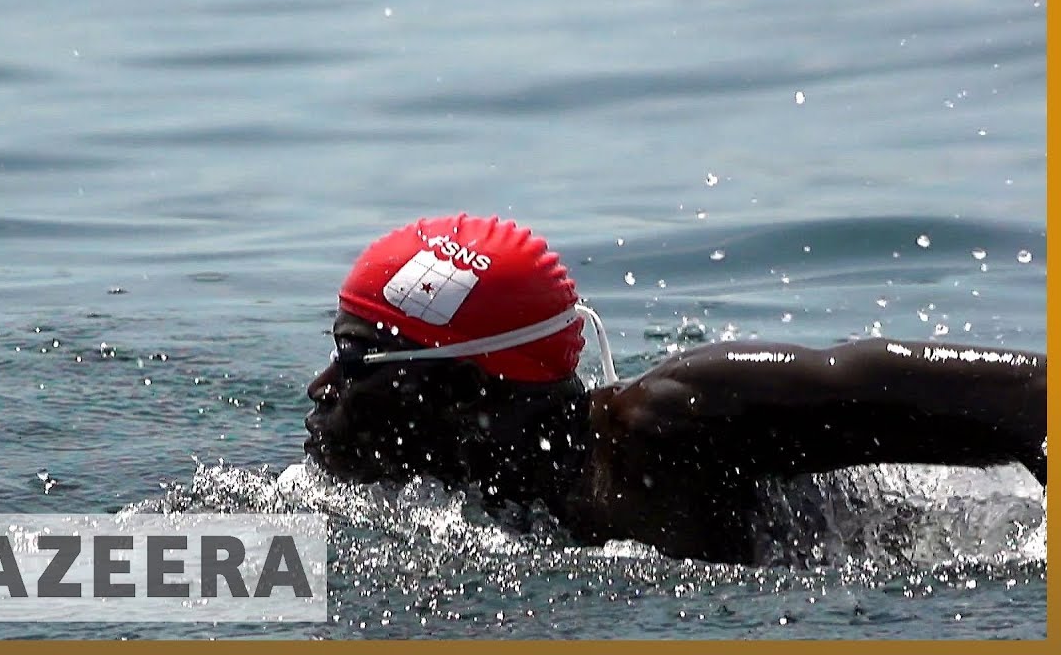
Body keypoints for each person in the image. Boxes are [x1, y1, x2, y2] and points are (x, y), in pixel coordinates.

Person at [303, 214, 1046, 565]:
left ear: (464, 391)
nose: (321, 386)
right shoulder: (438, 492)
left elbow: (1029, 398)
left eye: (355, 359)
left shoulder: (680, 422)